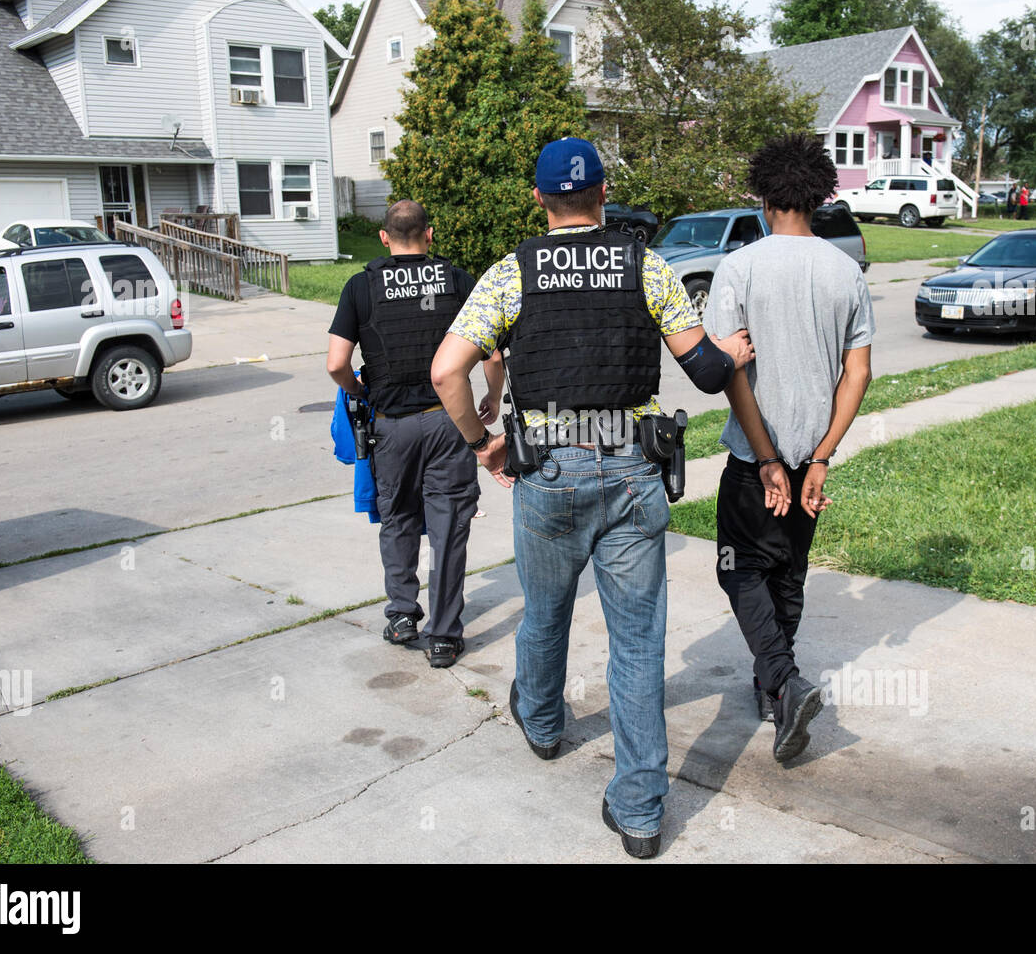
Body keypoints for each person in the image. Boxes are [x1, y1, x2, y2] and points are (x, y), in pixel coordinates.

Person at [430, 138, 755, 859]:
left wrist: (483, 444)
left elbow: (446, 369)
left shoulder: (513, 272)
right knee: (638, 644)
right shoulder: (645, 264)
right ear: (603, 194)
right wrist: (732, 350)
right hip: (634, 471)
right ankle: (640, 813)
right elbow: (703, 370)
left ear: (540, 200)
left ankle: (543, 724)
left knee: (544, 613)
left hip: (546, 472)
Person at [703, 132, 874, 763]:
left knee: (739, 568)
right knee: (789, 573)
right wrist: (821, 454)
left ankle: (782, 679)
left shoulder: (739, 268)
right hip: (812, 460)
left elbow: (729, 370)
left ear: (763, 194)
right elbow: (857, 374)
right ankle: (776, 692)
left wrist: (768, 458)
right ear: (820, 193)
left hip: (757, 461)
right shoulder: (845, 271)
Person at [327, 199, 501, 669]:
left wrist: (360, 392)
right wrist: (493, 397)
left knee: (398, 516)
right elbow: (494, 356)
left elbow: (336, 363)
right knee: (448, 525)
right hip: (449, 422)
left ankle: (403, 614)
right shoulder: (457, 280)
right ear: (429, 234)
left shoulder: (361, 286)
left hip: (392, 426)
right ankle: (444, 636)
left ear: (384, 237)